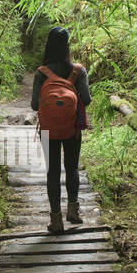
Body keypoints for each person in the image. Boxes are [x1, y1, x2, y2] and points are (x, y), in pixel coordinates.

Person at [31, 26, 90, 234]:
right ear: (67, 46)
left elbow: (34, 105)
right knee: (72, 168)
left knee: (53, 171)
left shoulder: (41, 73)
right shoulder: (78, 71)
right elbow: (86, 99)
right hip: (72, 128)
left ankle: (56, 220)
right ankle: (73, 212)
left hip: (48, 129)